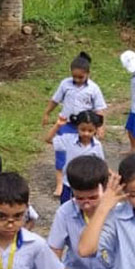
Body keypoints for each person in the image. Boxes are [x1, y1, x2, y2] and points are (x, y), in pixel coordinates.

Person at [42, 52, 107, 192]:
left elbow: (99, 109)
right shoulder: (65, 84)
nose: (77, 80)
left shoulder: (93, 88)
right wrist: (47, 113)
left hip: (85, 126)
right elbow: (55, 100)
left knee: (82, 152)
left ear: (88, 74)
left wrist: (100, 127)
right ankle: (60, 183)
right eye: (74, 76)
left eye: (81, 77)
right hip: (66, 124)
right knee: (61, 153)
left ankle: (82, 178)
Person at [45, 110, 105, 203]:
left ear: (95, 130)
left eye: (90, 131)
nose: (86, 133)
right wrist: (57, 126)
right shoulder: (68, 139)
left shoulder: (97, 146)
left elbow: (100, 165)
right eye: (83, 130)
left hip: (87, 186)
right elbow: (48, 139)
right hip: (69, 184)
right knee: (66, 208)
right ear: (77, 127)